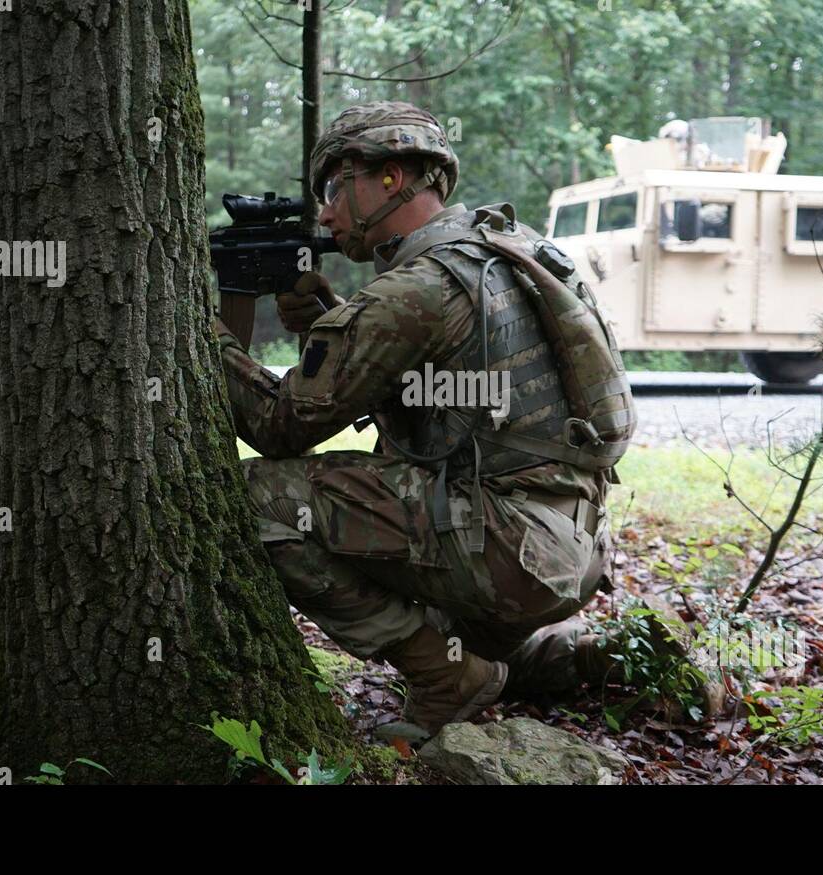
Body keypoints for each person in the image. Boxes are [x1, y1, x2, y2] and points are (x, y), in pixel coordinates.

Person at [214, 101, 716, 736]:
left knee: (258, 497)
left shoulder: (416, 289)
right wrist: (336, 323)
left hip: (505, 548)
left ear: (391, 178)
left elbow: (278, 425)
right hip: (568, 547)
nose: (325, 212)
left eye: (336, 187)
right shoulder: (507, 250)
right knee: (480, 644)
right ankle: (602, 658)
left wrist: (209, 342)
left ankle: (443, 678)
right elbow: (445, 395)